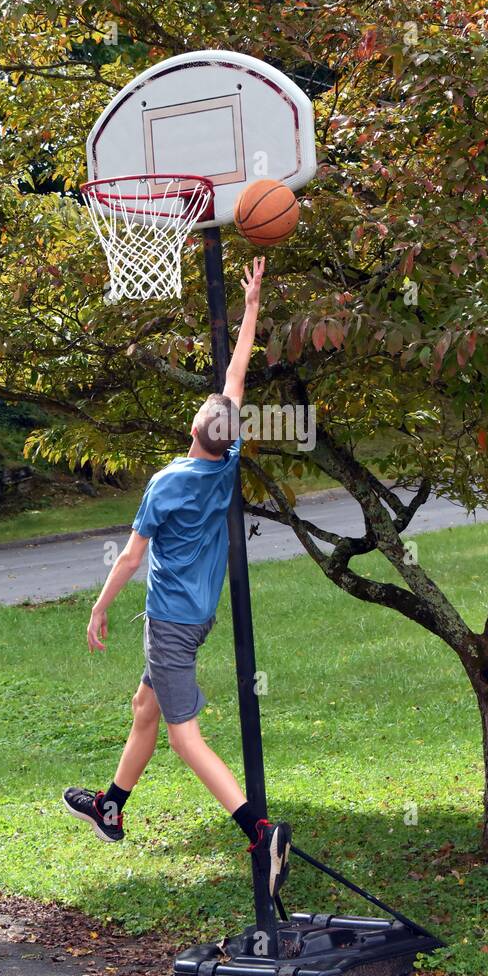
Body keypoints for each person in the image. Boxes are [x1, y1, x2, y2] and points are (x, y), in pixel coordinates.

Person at [63, 256, 291, 900]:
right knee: (146, 707)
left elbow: (130, 559)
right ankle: (111, 807)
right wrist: (249, 308)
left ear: (196, 428)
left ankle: (259, 830)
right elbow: (237, 373)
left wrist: (99, 607)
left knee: (184, 737)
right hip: (197, 615)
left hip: (170, 621)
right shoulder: (228, 459)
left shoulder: (168, 483)